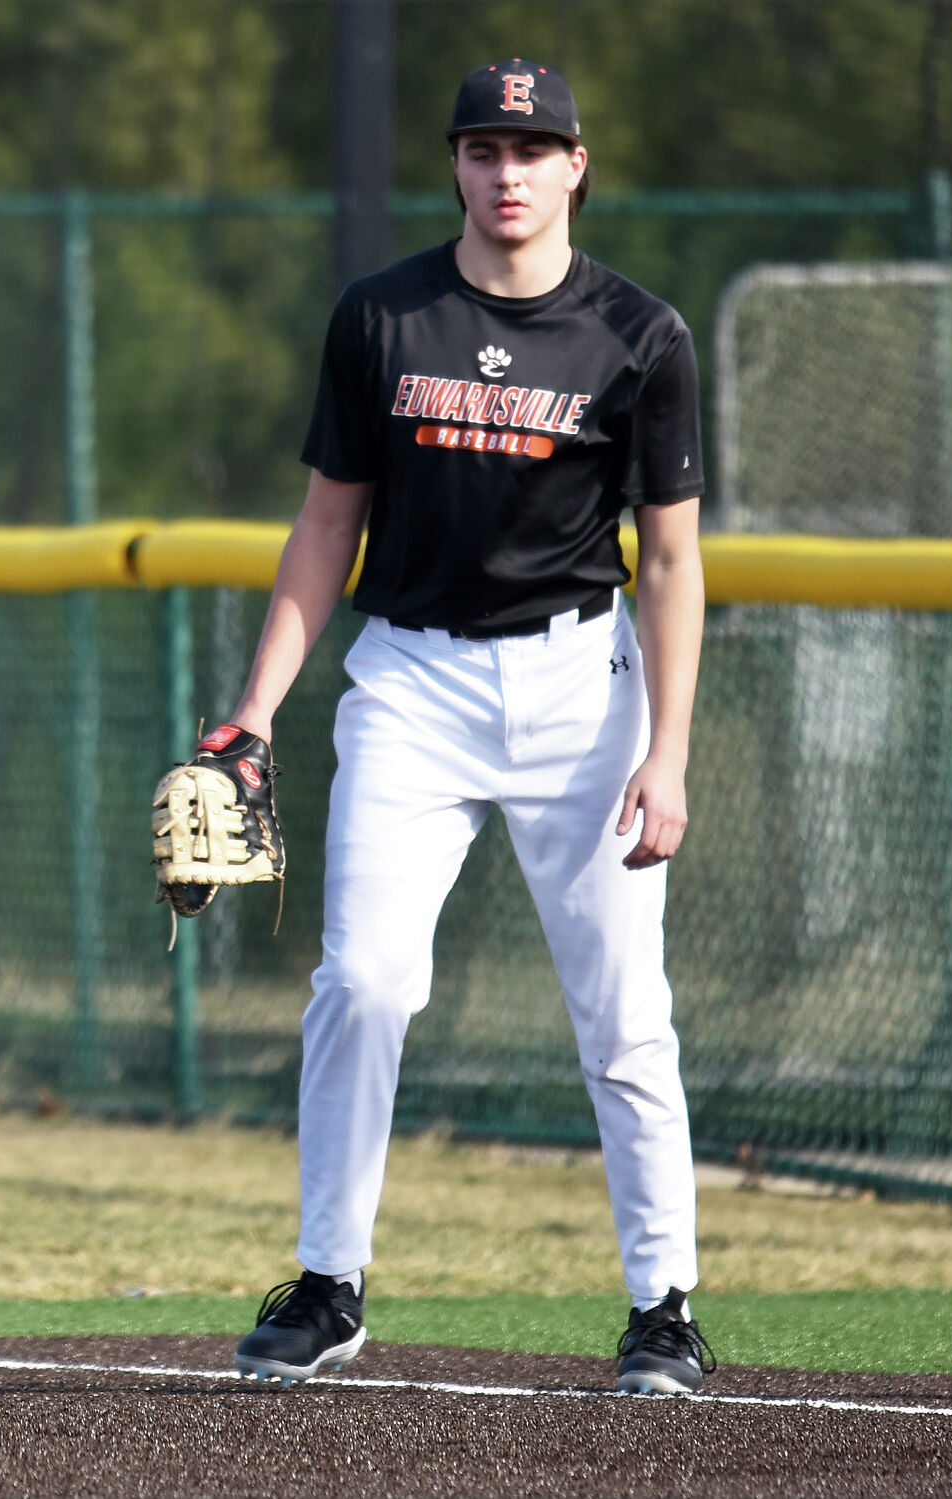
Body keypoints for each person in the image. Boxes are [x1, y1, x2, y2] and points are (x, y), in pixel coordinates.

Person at [221, 60, 714, 1395]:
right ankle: (329, 1280)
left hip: (580, 692)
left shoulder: (640, 333)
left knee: (622, 1014)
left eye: (533, 146)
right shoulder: (382, 317)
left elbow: (669, 563)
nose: (508, 171)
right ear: (454, 164)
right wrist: (253, 711)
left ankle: (662, 1303)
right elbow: (328, 524)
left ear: (577, 166)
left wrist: (667, 750)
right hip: (413, 686)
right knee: (364, 982)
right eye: (485, 146)